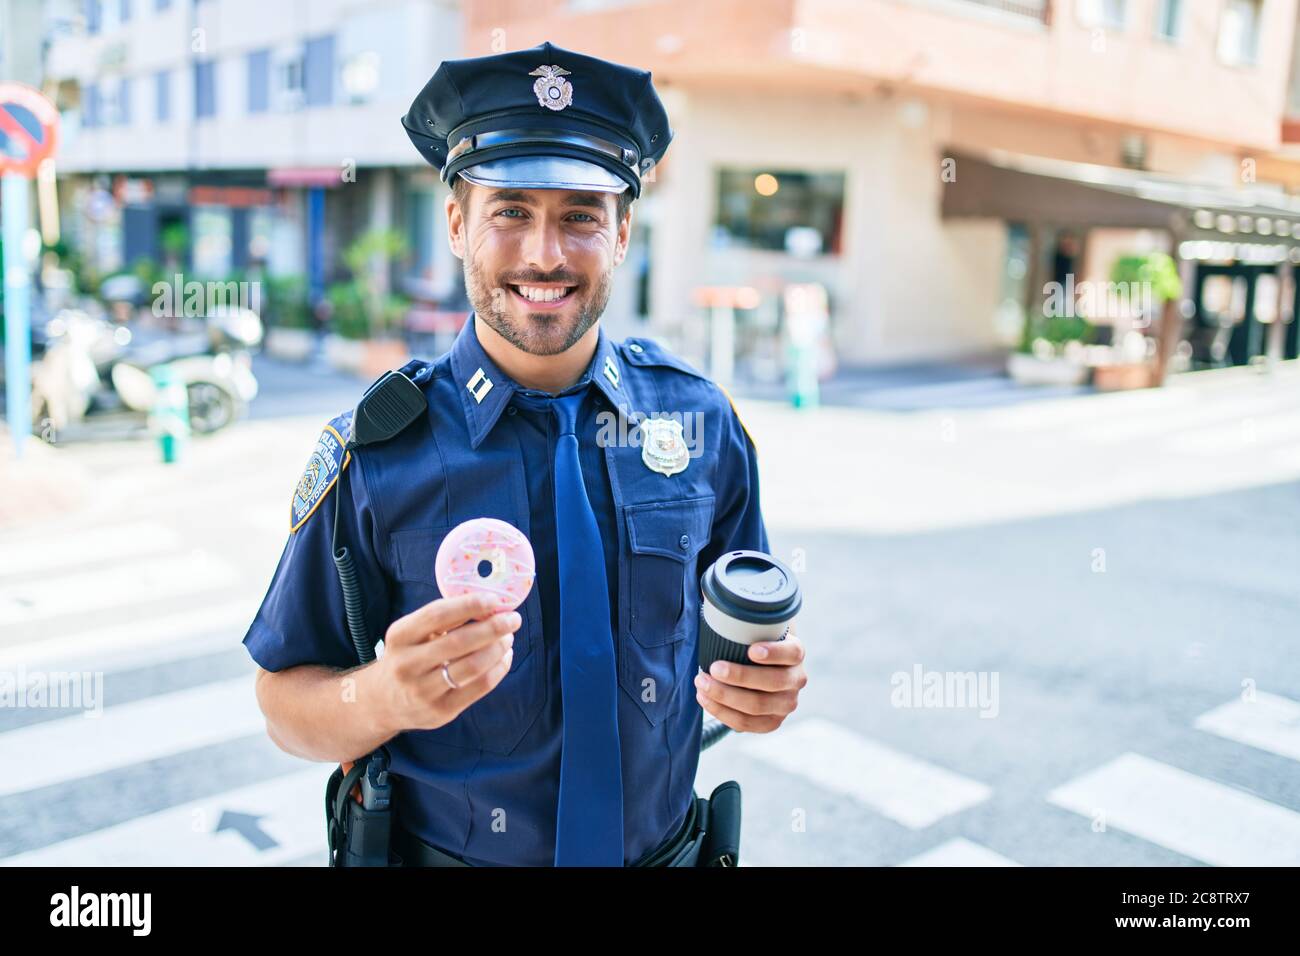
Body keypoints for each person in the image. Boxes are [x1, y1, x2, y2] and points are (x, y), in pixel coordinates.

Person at [242, 40, 807, 867]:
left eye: (580, 213)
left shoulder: (701, 423)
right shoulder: (376, 452)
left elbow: (742, 639)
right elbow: (283, 704)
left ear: (621, 234)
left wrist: (764, 687)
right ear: (457, 225)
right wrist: (384, 696)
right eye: (510, 210)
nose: (545, 253)